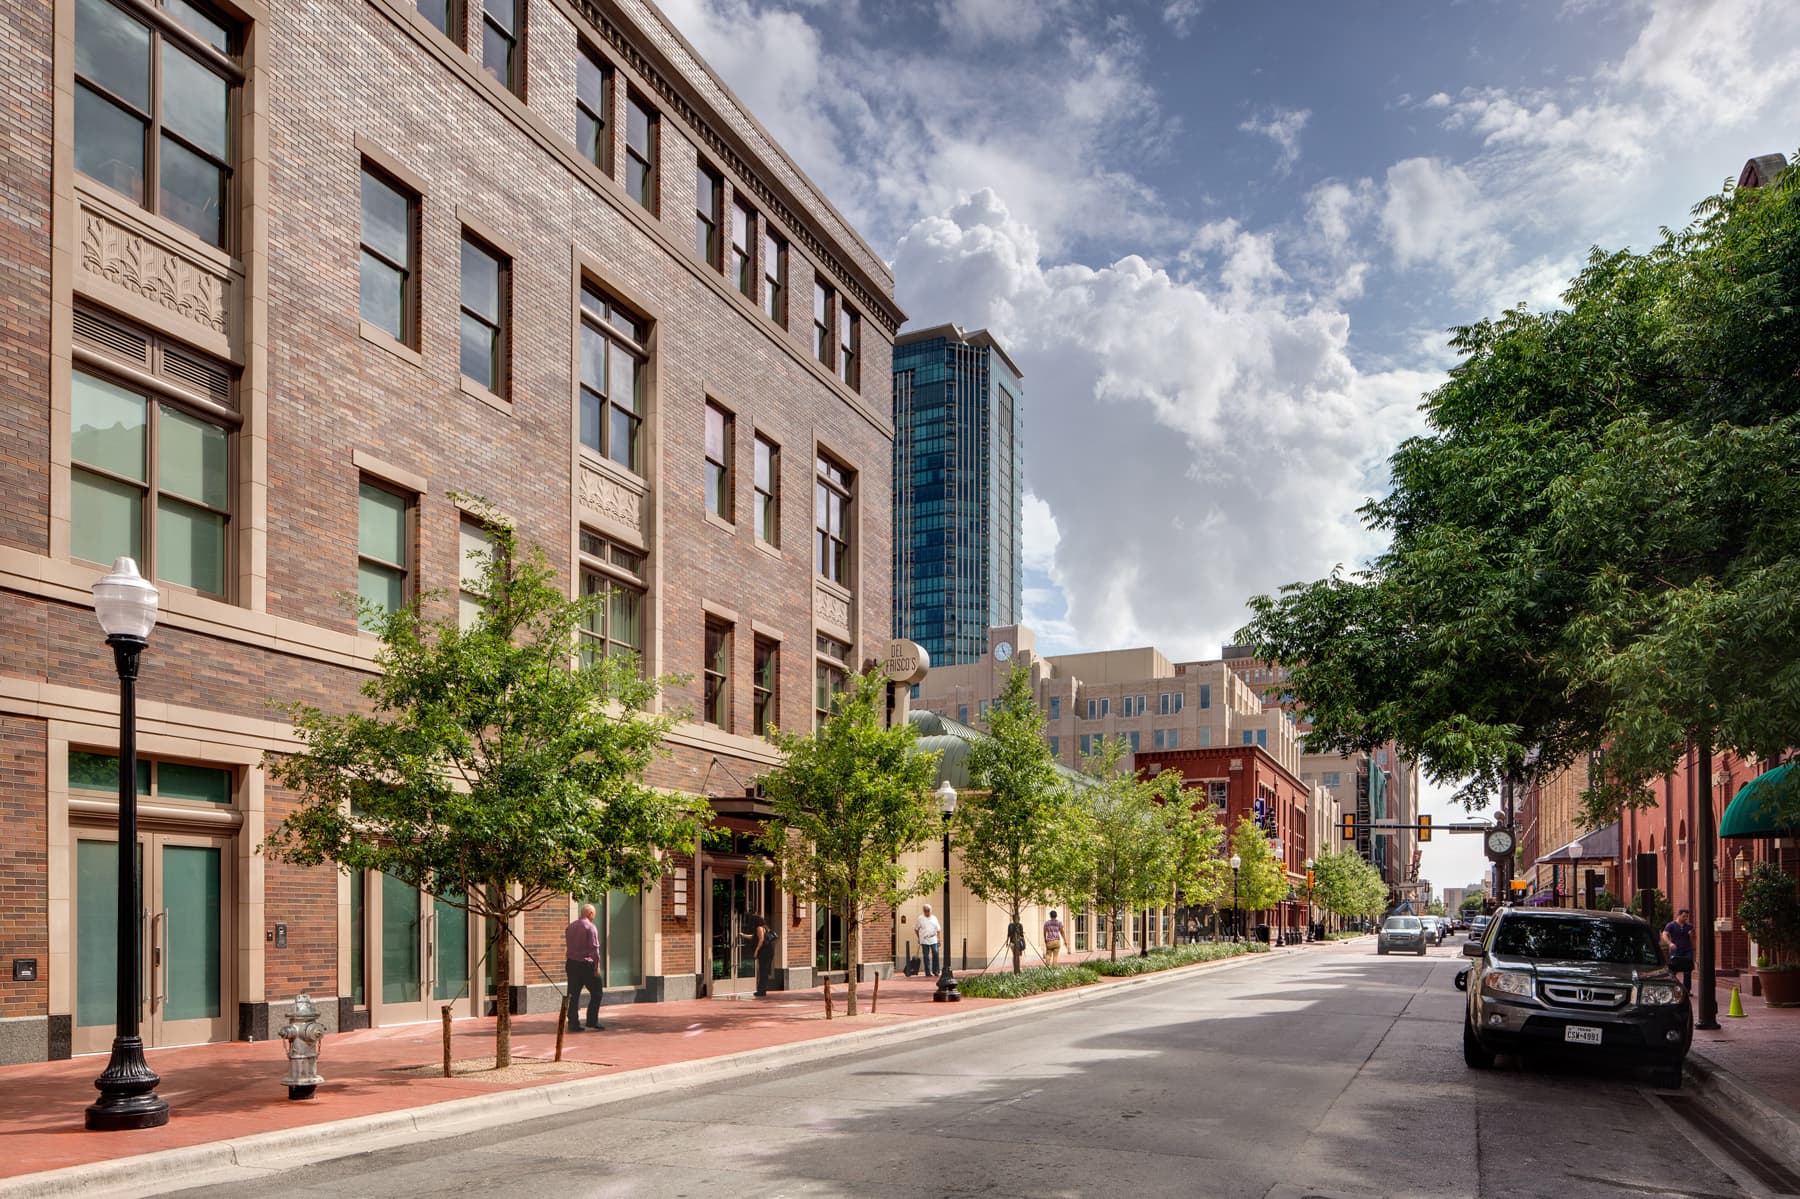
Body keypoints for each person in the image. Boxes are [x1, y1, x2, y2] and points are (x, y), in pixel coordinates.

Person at [565, 903, 603, 1031]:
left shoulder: (570, 926)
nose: (594, 916)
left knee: (573, 994)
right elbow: (594, 949)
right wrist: (597, 966)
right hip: (586, 964)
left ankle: (573, 1022)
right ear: (590, 913)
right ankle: (592, 1021)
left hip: (571, 963)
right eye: (594, 914)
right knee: (597, 992)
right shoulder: (590, 927)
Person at [741, 906, 778, 997]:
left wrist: (756, 951)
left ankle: (761, 990)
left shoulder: (759, 928)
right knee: (764, 970)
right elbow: (754, 937)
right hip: (768, 951)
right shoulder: (764, 927)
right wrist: (743, 935)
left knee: (763, 971)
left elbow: (761, 940)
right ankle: (762, 990)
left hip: (765, 952)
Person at [1662, 907, 1696, 994]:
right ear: (1679, 915)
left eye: (1687, 917)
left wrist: (1691, 936)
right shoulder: (1671, 925)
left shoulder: (1689, 926)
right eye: (1684, 916)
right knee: (1674, 970)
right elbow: (1664, 934)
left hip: (1687, 950)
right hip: (1676, 950)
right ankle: (1672, 988)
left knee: (1687, 970)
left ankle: (1686, 990)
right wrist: (1670, 943)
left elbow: (1693, 939)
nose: (1685, 918)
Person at [915, 903, 941, 977]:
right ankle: (927, 972)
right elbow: (916, 929)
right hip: (924, 939)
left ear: (931, 911)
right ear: (924, 911)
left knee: (935, 954)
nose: (927, 912)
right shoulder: (920, 918)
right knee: (926, 956)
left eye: (928, 910)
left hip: (933, 938)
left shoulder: (934, 918)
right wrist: (919, 938)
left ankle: (935, 971)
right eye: (926, 911)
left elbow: (938, 929)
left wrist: (939, 939)